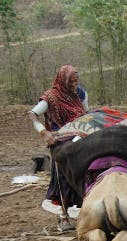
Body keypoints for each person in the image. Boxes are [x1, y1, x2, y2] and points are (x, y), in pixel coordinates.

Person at [28, 65, 89, 231]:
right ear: (63, 80)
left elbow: (87, 114)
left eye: (76, 81)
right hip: (60, 140)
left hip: (80, 137)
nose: (74, 85)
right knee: (63, 178)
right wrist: (44, 132)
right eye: (71, 82)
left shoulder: (80, 94)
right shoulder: (50, 98)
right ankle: (63, 216)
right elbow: (32, 114)